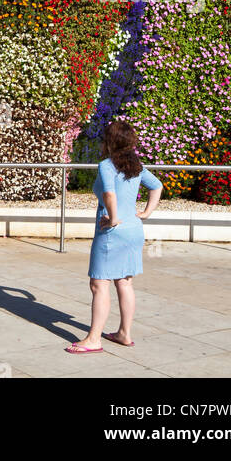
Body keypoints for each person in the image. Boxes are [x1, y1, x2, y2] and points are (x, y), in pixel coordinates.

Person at [66, 119, 162, 354]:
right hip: (134, 231)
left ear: (109, 142)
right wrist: (146, 213)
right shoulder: (136, 166)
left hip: (112, 232)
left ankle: (94, 339)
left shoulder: (106, 165)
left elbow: (109, 193)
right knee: (124, 282)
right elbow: (157, 186)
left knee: (99, 284)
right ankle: (124, 333)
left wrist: (113, 217)